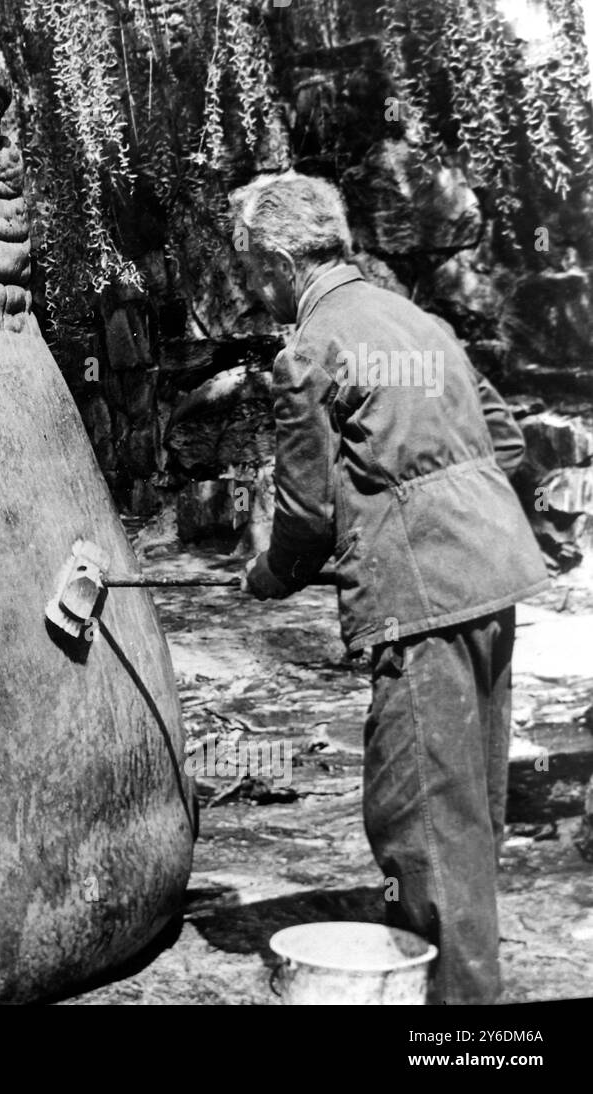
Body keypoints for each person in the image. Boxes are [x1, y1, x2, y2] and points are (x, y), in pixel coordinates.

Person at [229, 171, 549, 1004]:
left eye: (247, 271)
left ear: (270, 260)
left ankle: (461, 1030)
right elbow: (508, 444)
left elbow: (302, 515)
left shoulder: (311, 346)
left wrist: (268, 576)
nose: (250, 290)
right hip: (492, 575)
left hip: (423, 599)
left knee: (424, 825)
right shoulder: (420, 322)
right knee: (468, 810)